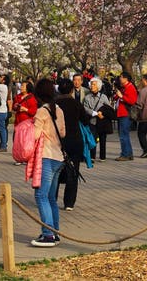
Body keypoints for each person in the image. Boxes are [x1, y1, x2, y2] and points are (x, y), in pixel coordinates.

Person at [29, 78, 66, 247]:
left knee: (41, 195)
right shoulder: (59, 110)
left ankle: (48, 234)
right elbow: (63, 133)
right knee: (51, 197)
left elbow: (35, 136)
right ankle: (54, 232)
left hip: (46, 156)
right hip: (59, 156)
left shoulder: (41, 112)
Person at [55, 78, 85, 210]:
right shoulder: (76, 104)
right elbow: (85, 120)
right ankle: (69, 203)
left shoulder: (53, 104)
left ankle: (52, 198)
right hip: (75, 140)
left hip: (57, 141)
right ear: (72, 90)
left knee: (55, 170)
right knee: (73, 171)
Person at [83, 77, 112, 160]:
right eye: (91, 84)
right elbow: (85, 108)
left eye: (94, 84)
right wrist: (95, 113)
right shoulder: (87, 97)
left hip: (102, 121)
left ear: (98, 86)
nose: (92, 86)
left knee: (102, 139)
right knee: (92, 139)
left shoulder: (103, 97)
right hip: (92, 121)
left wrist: (102, 113)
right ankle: (92, 156)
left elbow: (108, 107)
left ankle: (103, 157)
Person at [114, 72, 138, 160]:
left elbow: (132, 101)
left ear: (125, 78)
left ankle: (125, 154)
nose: (120, 78)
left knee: (123, 135)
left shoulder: (130, 88)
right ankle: (128, 153)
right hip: (121, 113)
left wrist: (121, 97)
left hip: (125, 113)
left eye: (121, 77)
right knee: (123, 134)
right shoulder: (124, 87)